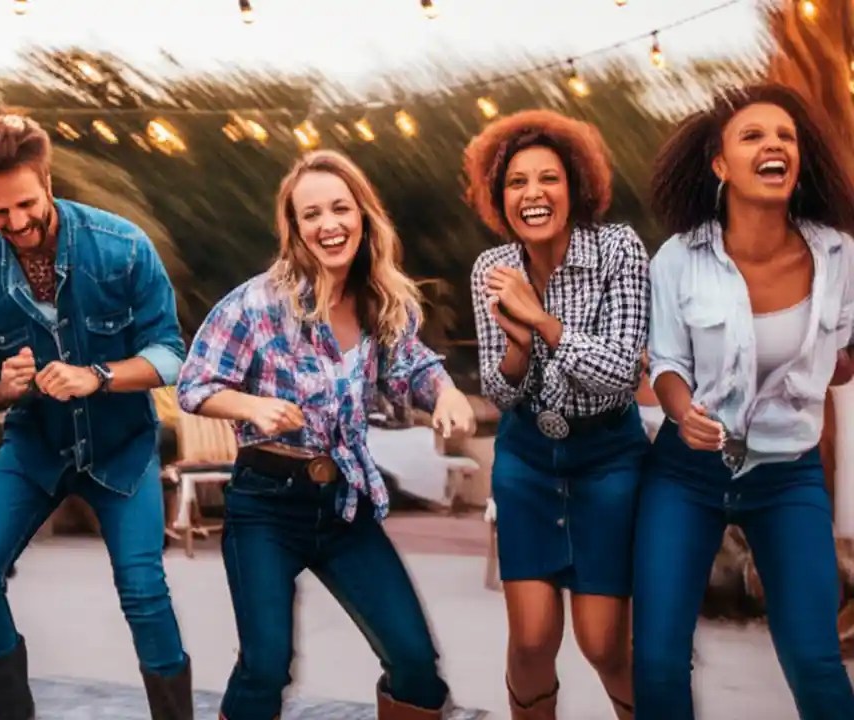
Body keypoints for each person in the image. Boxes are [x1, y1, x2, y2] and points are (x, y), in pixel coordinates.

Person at [177, 149, 477, 720]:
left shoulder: (379, 301)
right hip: (265, 501)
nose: (328, 224)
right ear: (294, 228)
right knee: (266, 665)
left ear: (363, 215)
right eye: (310, 214)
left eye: (340, 208)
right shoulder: (258, 303)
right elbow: (195, 383)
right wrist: (253, 405)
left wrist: (448, 394)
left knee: (414, 661)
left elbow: (411, 366)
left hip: (343, 501)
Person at [0, 113, 192, 720]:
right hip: (35, 448)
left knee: (142, 590)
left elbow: (170, 353)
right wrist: (5, 389)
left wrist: (99, 376)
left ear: (48, 180)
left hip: (122, 446)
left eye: (26, 204)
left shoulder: (123, 245)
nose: (16, 223)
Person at [637, 82, 854, 719]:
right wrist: (683, 414)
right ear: (720, 164)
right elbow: (667, 365)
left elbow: (843, 358)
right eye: (753, 136)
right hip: (686, 473)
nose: (774, 145)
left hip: (788, 476)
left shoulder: (838, 256)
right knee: (657, 656)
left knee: (814, 655)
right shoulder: (680, 257)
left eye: (785, 136)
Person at [463, 109, 650, 719]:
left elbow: (622, 373)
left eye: (548, 178)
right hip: (527, 459)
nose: (532, 193)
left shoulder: (619, 249)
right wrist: (518, 346)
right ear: (500, 197)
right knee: (533, 638)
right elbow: (501, 392)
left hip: (607, 458)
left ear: (576, 187)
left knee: (603, 644)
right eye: (516, 182)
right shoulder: (491, 270)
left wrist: (542, 321)